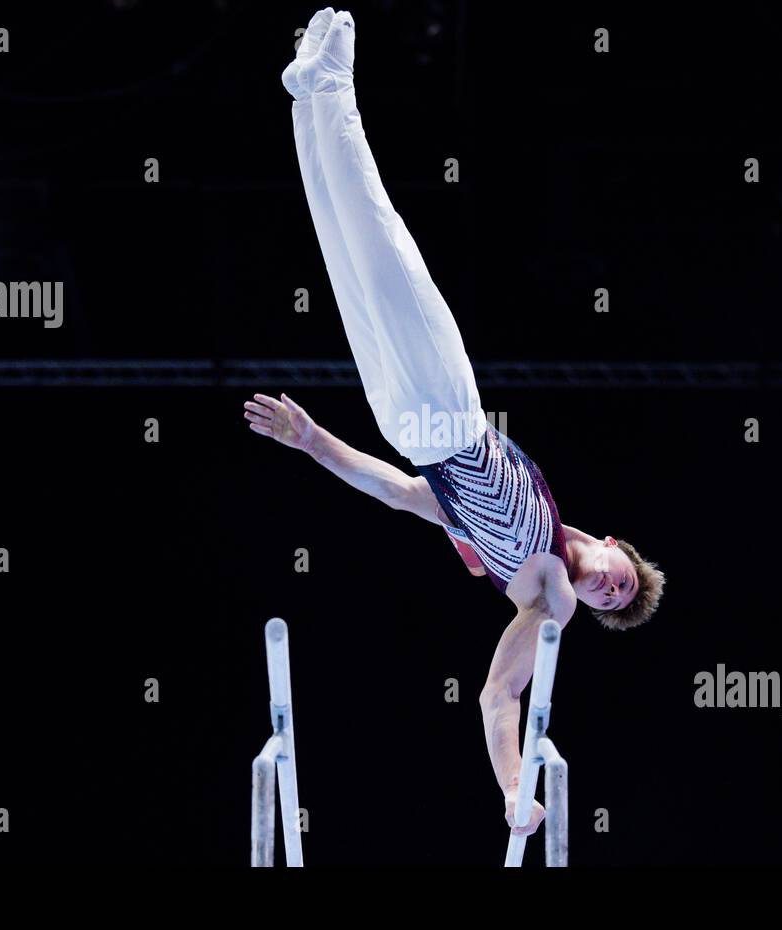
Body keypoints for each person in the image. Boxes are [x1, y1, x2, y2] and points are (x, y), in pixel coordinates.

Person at [248, 8, 664, 838]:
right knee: (367, 245)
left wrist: (512, 785)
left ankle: (322, 88)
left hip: (427, 420)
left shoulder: (541, 591)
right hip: (439, 415)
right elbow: (409, 497)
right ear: (615, 543)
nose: (608, 588)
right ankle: (313, 92)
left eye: (611, 601)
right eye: (623, 577)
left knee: (361, 246)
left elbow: (495, 691)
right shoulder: (535, 526)